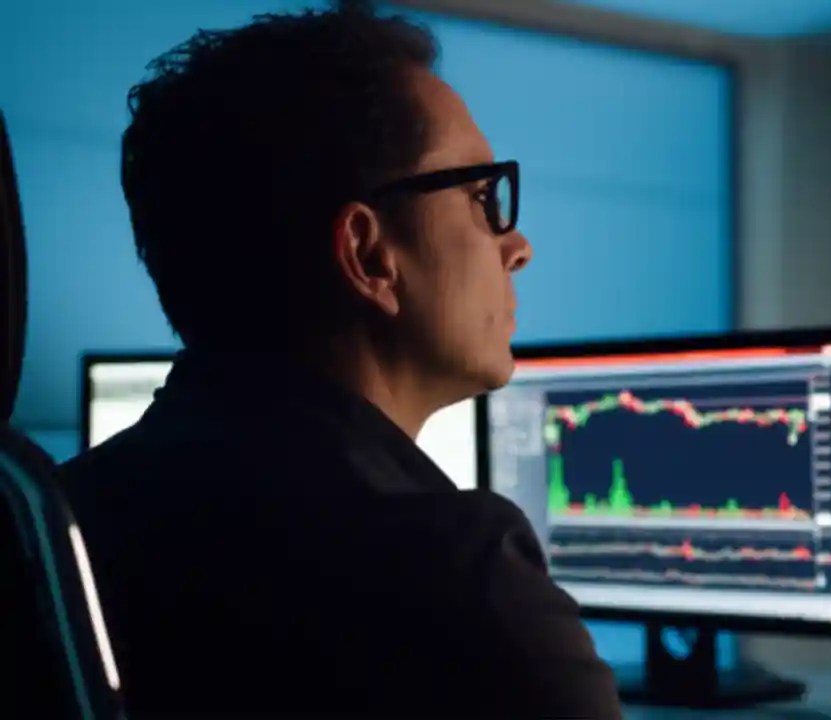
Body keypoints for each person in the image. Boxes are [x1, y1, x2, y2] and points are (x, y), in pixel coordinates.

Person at [59, 5, 622, 718]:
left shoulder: (61, 523)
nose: (518, 247)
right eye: (481, 197)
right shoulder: (458, 581)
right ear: (369, 254)